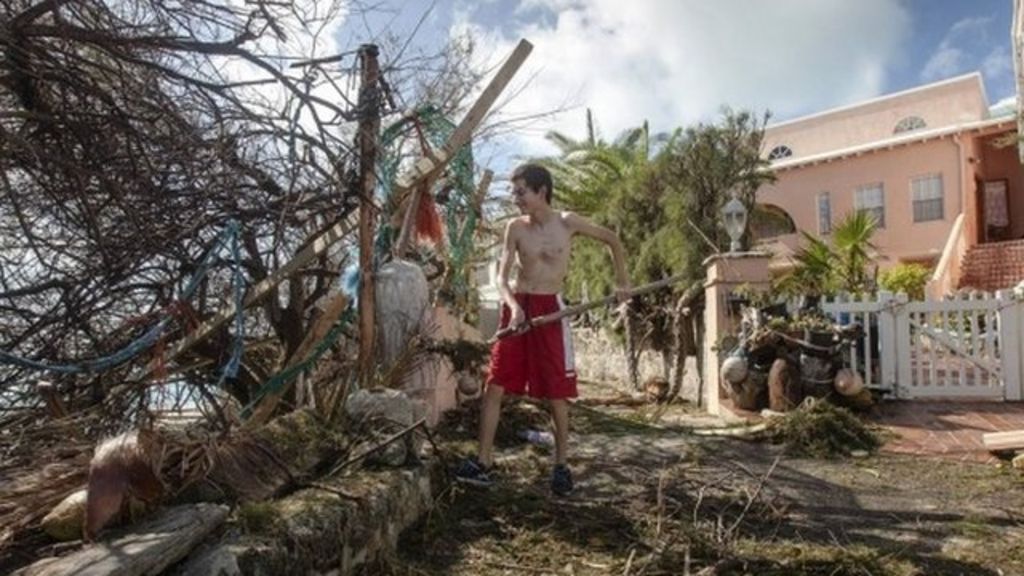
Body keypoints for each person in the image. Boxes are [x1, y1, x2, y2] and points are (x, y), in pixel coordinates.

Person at [455, 163, 630, 496]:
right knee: (495, 385)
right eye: (514, 191)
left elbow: (612, 239)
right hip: (518, 309)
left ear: (541, 191)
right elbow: (501, 278)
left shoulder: (568, 223)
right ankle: (483, 463)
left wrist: (623, 281)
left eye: (521, 191)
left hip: (551, 310)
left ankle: (561, 466)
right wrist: (515, 307)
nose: (515, 198)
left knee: (556, 394)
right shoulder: (515, 229)